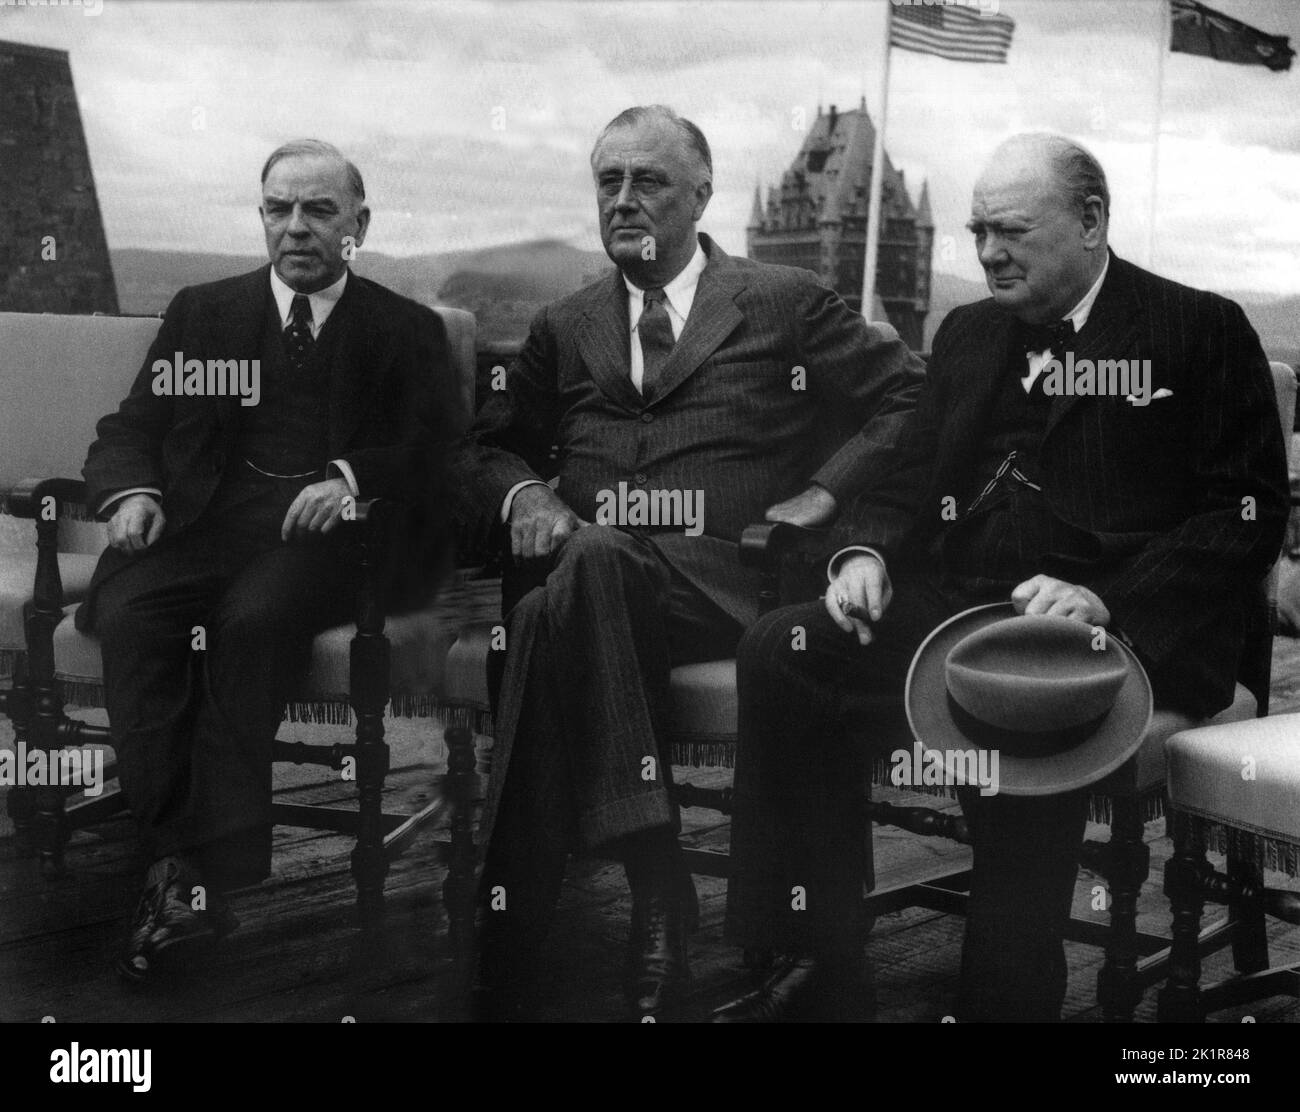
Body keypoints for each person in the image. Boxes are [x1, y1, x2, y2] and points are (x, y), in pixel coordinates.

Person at [716, 132, 1290, 1023]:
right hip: (960, 606)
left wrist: (1111, 602)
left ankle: (1004, 998)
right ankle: (816, 960)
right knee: (783, 648)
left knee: (1014, 711)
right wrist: (863, 555)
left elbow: (1242, 514)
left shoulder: (1199, 330)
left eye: (1011, 231)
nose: (986, 252)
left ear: (1092, 221)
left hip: (1116, 629)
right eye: (978, 229)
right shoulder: (970, 333)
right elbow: (908, 474)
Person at [449, 104, 926, 1020]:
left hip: (732, 579)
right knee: (579, 576)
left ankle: (518, 923)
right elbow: (484, 448)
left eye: (649, 181)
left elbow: (910, 395)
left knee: (557, 602)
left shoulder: (783, 302)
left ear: (702, 195)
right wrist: (527, 495)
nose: (624, 201)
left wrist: (828, 488)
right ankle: (657, 878)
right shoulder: (565, 323)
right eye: (608, 182)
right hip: (601, 581)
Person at [79, 139, 459, 983]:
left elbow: (441, 455)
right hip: (204, 528)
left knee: (251, 622)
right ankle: (184, 865)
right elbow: (133, 428)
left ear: (359, 224)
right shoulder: (204, 313)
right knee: (135, 616)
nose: (296, 228)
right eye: (278, 209)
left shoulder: (404, 329)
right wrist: (132, 494)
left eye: (319, 210)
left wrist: (353, 478)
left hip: (326, 546)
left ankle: (193, 877)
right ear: (261, 217)